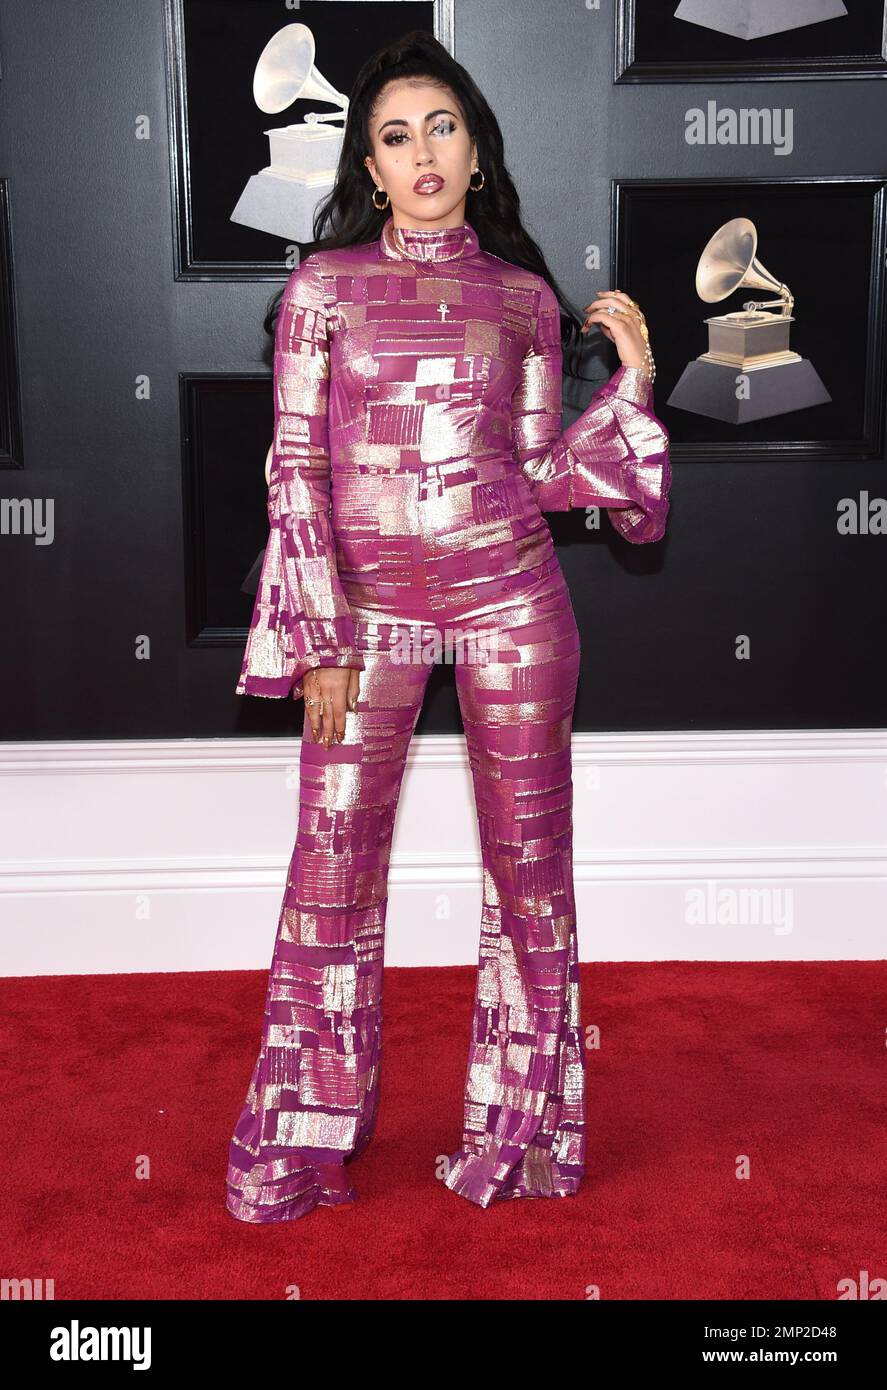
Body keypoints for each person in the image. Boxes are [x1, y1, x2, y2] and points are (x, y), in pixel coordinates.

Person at [225, 30, 670, 1223]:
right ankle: (299, 1138)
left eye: (441, 128)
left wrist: (628, 385)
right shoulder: (321, 290)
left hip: (512, 602)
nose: (421, 152)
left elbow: (534, 470)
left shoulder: (524, 300)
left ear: (475, 150)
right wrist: (316, 634)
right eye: (393, 134)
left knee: (530, 872)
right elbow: (298, 469)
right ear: (368, 166)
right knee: (330, 871)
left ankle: (525, 1133)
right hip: (361, 616)